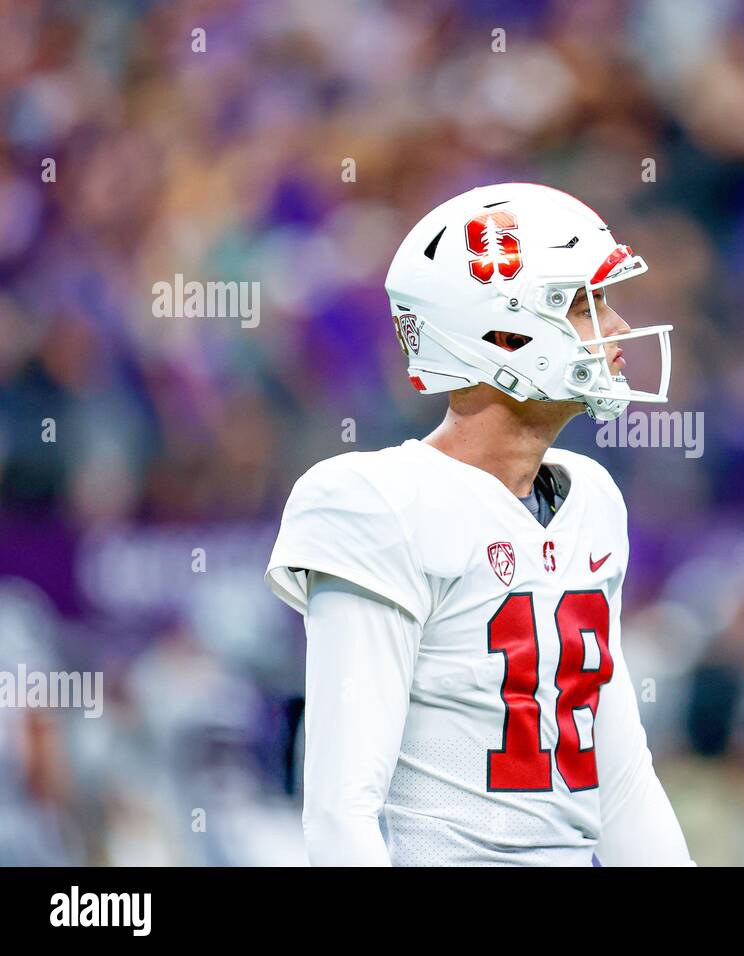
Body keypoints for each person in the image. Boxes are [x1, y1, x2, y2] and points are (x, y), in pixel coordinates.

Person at [265, 183, 692, 866]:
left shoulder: (593, 498)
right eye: (584, 304)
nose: (615, 328)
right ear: (503, 336)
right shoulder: (375, 501)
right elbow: (342, 808)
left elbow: (619, 782)